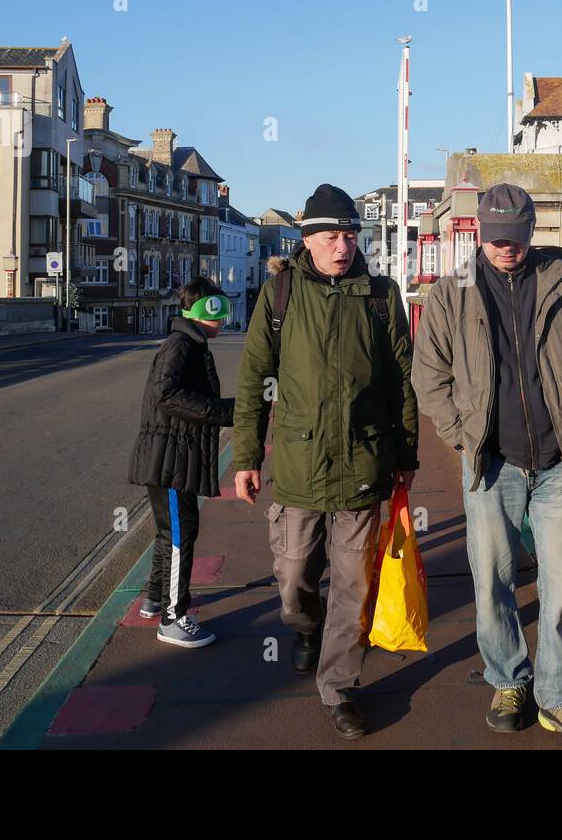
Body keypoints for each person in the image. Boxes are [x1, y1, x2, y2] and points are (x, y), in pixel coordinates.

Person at [412, 183, 562, 749]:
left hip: (559, 461)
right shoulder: (452, 292)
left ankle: (558, 694)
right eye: (496, 237)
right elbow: (428, 375)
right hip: (492, 462)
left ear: (531, 231)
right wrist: (460, 434)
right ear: (481, 232)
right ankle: (509, 681)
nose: (506, 248)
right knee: (493, 581)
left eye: (515, 237)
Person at [232, 183, 418, 739]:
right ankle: (305, 628)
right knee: (293, 578)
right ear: (307, 239)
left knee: (355, 585)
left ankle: (339, 688)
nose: (343, 246)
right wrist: (246, 456)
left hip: (363, 462)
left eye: (349, 235)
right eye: (332, 236)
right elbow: (254, 381)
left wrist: (405, 455)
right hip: (297, 464)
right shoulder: (281, 293)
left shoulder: (381, 296)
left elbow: (401, 382)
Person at [127, 277, 235, 647]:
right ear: (202, 310)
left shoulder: (189, 343)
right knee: (180, 534)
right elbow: (167, 395)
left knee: (169, 531)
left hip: (172, 458)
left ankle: (155, 598)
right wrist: (227, 411)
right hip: (173, 461)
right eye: (217, 310)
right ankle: (173, 618)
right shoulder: (181, 345)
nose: (223, 319)